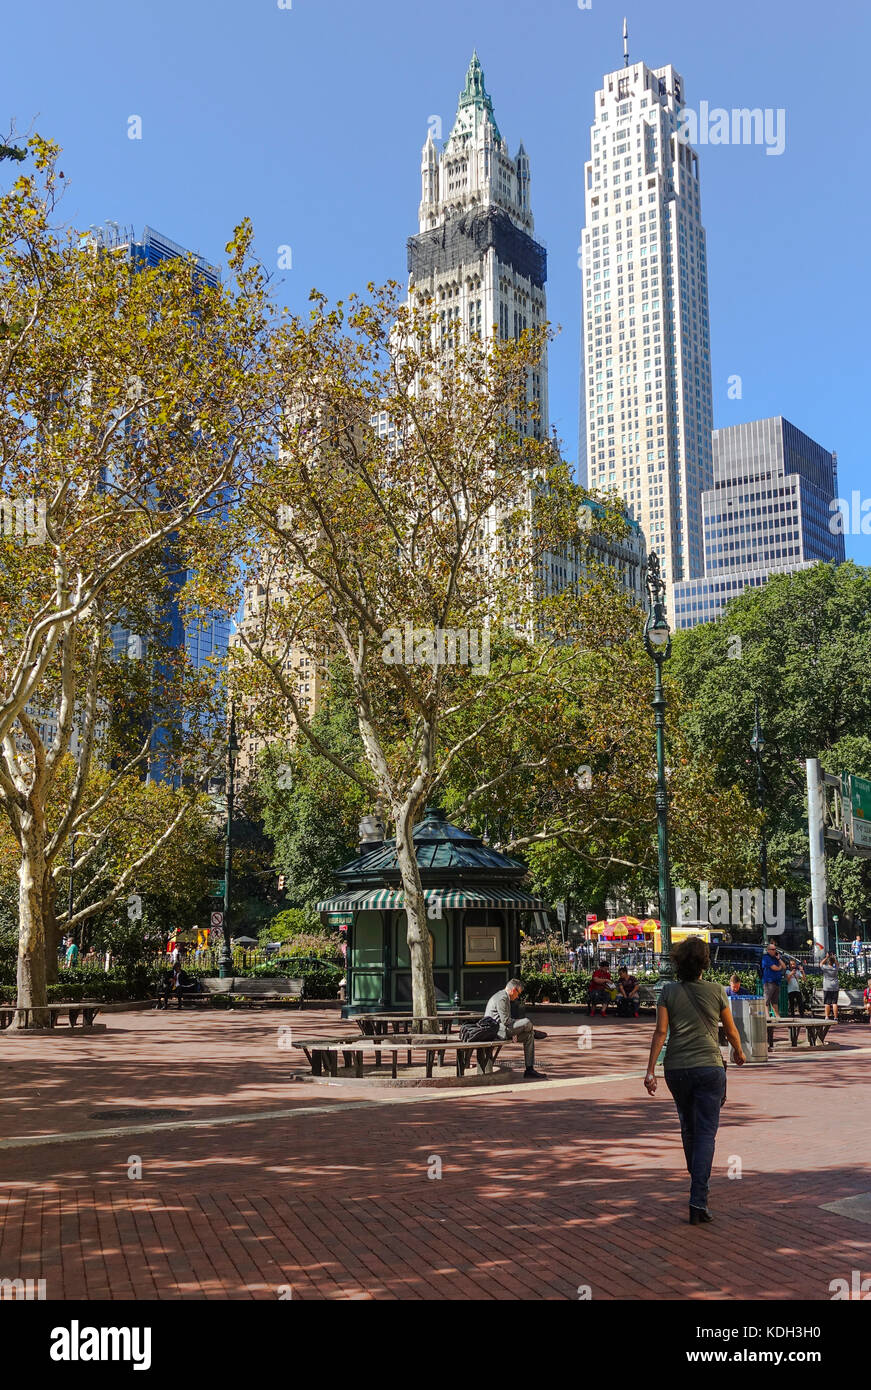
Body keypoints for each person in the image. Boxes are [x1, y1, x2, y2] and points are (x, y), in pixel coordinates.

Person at [644, 936, 746, 1224]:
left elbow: (660, 1033)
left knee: (688, 1128)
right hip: (709, 1069)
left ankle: (697, 1181)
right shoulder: (716, 991)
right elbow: (730, 1029)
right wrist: (738, 1052)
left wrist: (650, 1070)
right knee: (705, 1134)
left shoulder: (668, 992)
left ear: (677, 962)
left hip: (676, 1069)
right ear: (704, 962)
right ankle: (698, 1198)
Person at [484, 978, 546, 1080]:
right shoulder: (502, 998)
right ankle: (533, 1031)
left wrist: (516, 1029)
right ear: (513, 990)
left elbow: (507, 1021)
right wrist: (518, 1027)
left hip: (503, 1029)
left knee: (529, 1036)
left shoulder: (505, 997)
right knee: (526, 1022)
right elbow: (505, 1021)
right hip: (497, 1031)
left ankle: (529, 1070)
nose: (518, 996)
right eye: (518, 993)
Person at [760, 941, 785, 1018]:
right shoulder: (766, 958)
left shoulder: (776, 958)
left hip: (776, 982)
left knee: (775, 1001)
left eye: (775, 949)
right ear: (768, 950)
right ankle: (767, 1017)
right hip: (769, 982)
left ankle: (777, 1016)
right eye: (773, 949)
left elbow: (784, 966)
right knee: (766, 1001)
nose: (775, 951)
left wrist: (779, 959)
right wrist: (779, 967)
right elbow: (775, 968)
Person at [820, 952, 840, 1021]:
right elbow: (838, 965)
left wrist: (826, 957)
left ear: (828, 962)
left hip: (827, 987)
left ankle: (827, 1017)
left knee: (827, 1003)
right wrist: (834, 958)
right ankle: (835, 1017)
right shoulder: (835, 969)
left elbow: (821, 964)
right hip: (835, 986)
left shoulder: (825, 968)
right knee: (834, 1003)